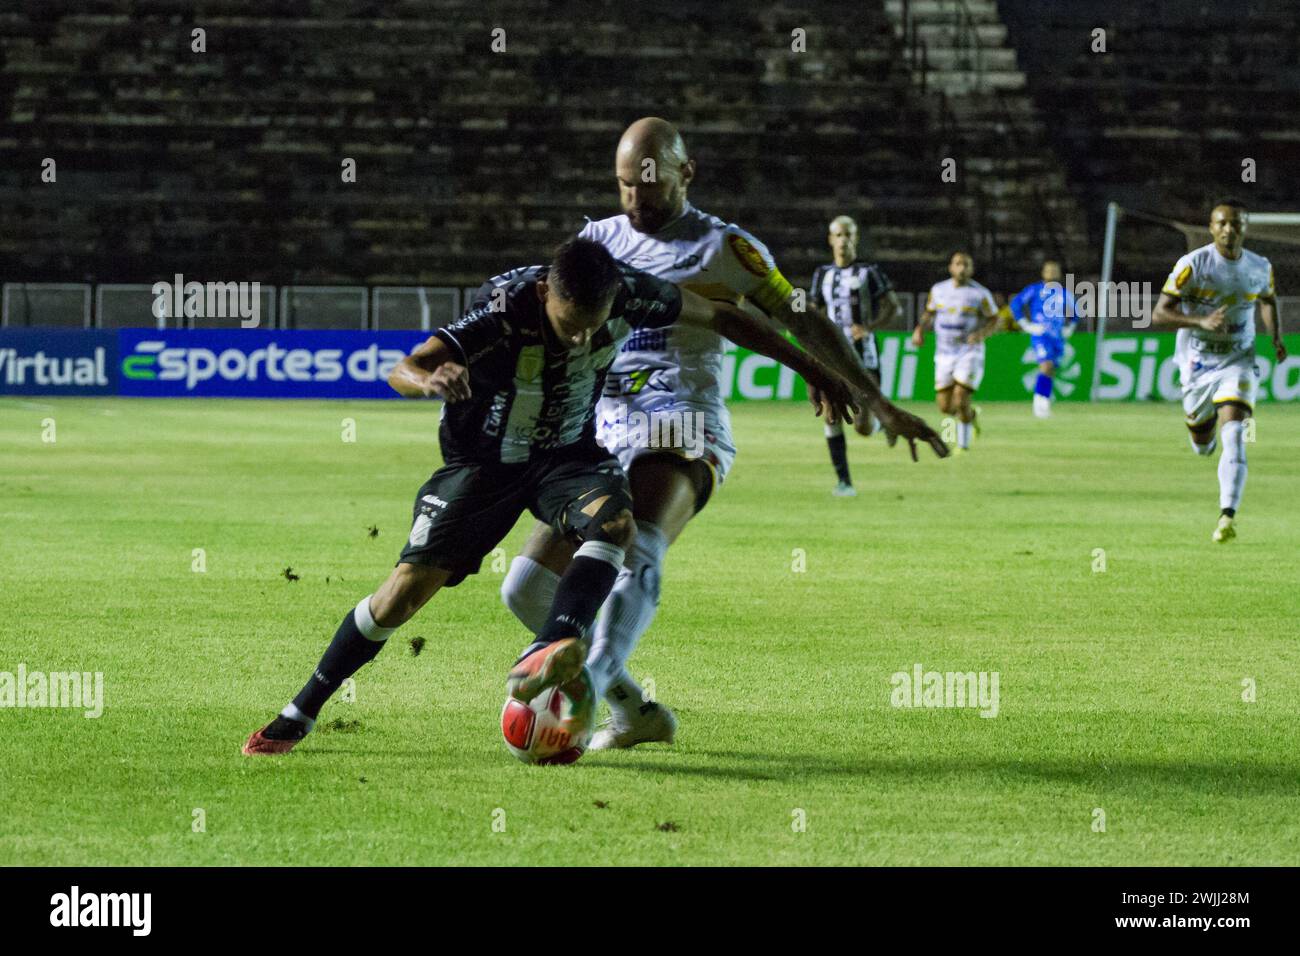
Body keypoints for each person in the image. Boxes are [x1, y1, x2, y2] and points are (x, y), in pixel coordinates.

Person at [1151, 199, 1285, 542]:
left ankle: (1227, 515)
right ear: (1211, 227)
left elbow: (1268, 300)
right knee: (1203, 445)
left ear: (1245, 227)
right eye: (1222, 223)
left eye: (1236, 223)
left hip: (1238, 360)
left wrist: (1276, 338)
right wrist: (1201, 321)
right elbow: (1159, 314)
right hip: (1196, 364)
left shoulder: (1259, 266)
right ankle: (1202, 438)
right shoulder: (1193, 265)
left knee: (1236, 435)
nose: (1229, 229)